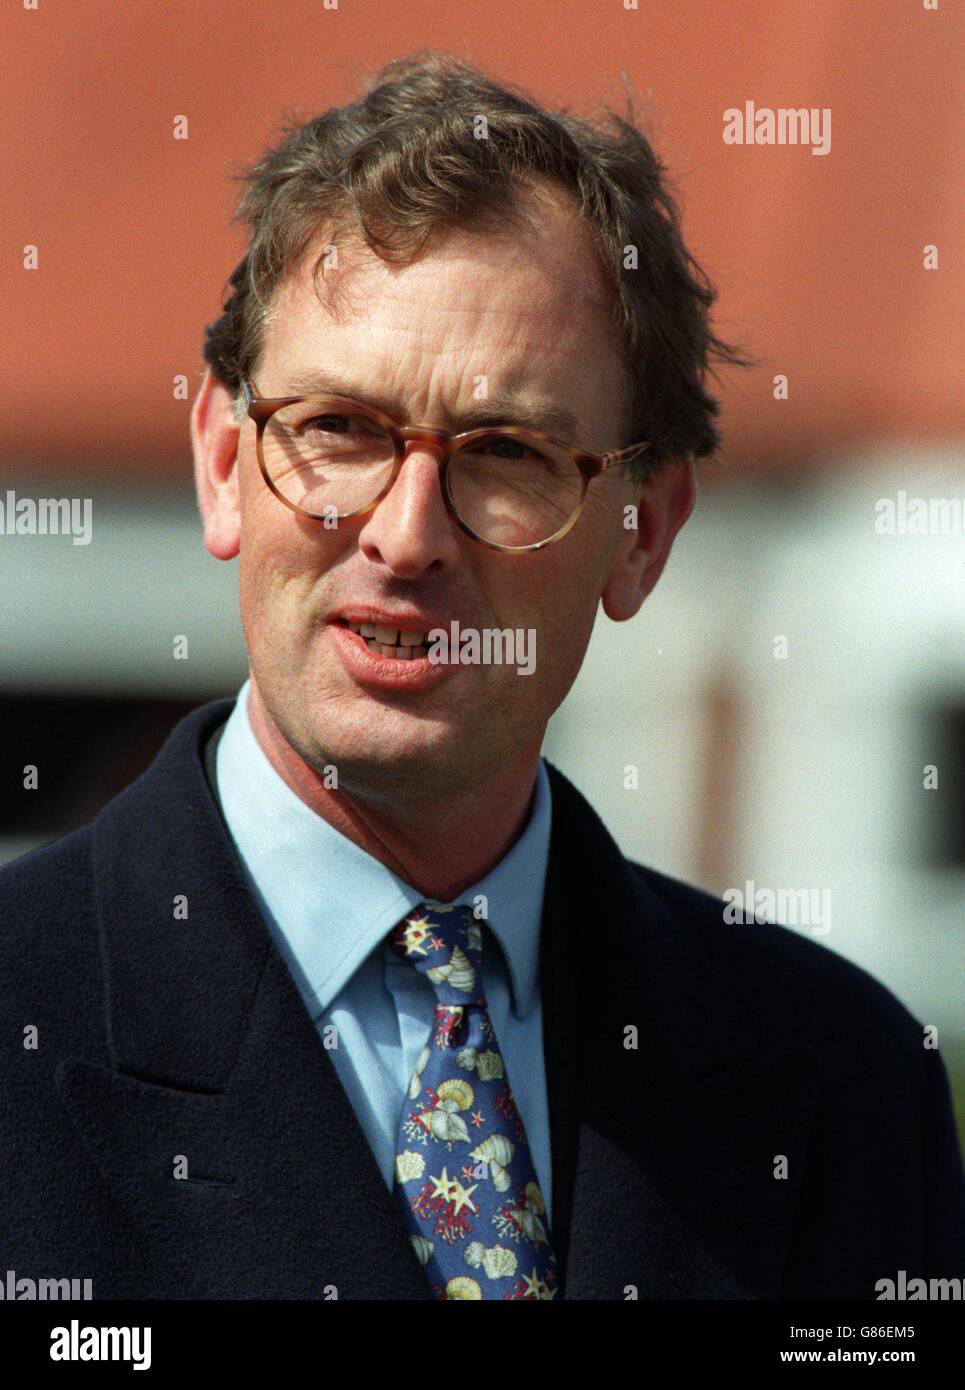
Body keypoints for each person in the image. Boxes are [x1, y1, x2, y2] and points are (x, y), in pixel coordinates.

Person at [1, 51, 961, 1302]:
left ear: (641, 529)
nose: (407, 534)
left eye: (505, 453)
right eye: (338, 428)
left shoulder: (843, 1085)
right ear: (224, 462)